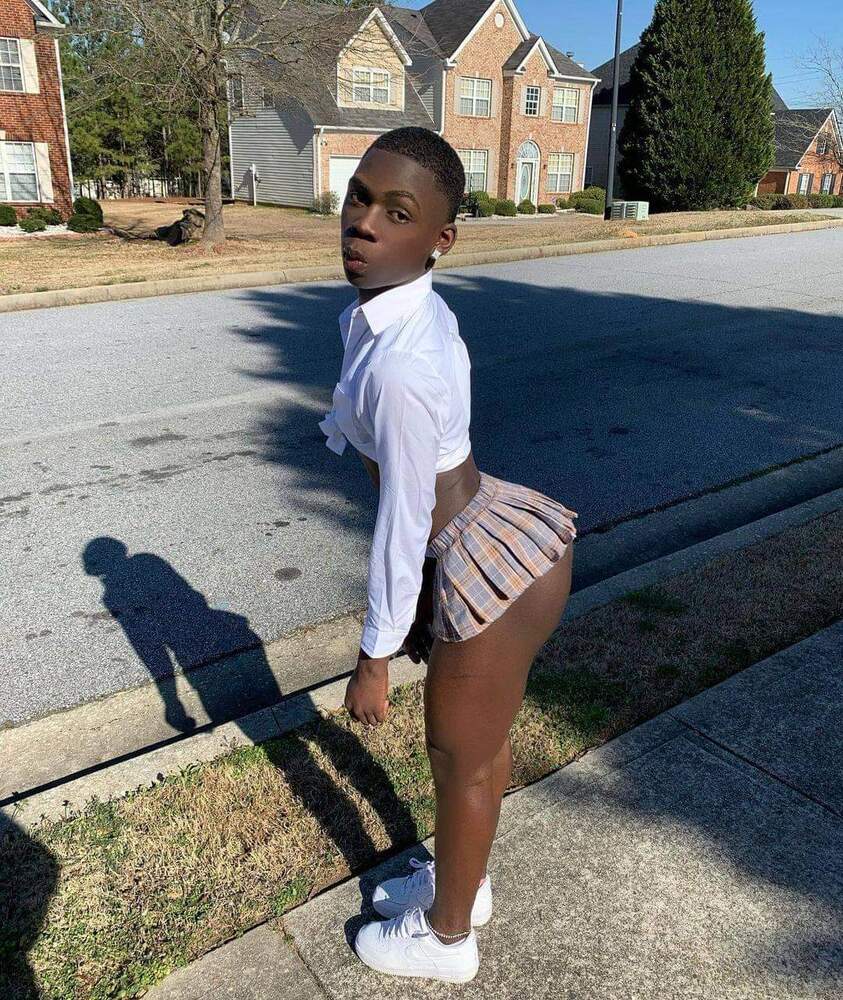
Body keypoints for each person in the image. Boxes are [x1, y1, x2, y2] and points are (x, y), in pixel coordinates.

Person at [318, 127, 578, 984]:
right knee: (477, 748)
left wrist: (374, 656)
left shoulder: (397, 363)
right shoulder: (392, 309)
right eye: (359, 197)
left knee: (460, 758)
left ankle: (447, 939)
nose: (363, 223)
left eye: (397, 213)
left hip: (487, 567)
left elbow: (402, 521)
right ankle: (464, 881)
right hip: (477, 535)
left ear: (440, 238)